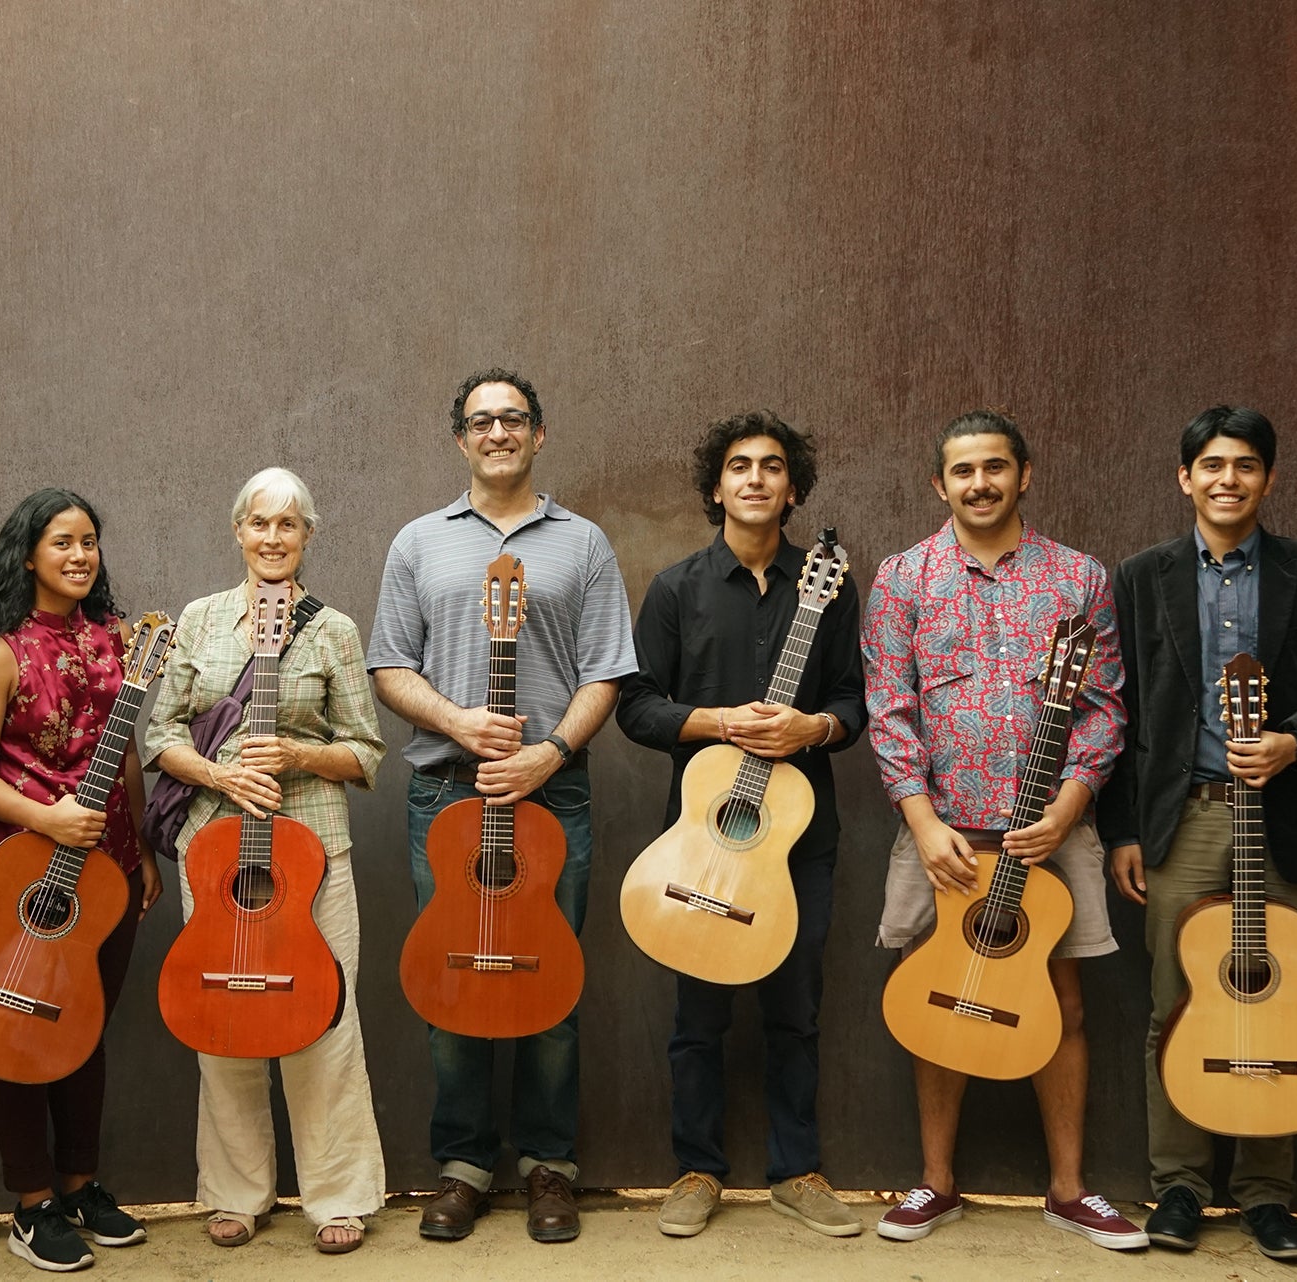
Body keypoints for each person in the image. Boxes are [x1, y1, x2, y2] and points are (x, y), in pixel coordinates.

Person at [1098, 406, 1297, 1263]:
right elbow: (1119, 714)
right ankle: (1179, 1186)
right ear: (1185, 478)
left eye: (1246, 465)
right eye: (1212, 465)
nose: (1228, 480)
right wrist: (1123, 830)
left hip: (1284, 819)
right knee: (1176, 1005)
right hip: (1182, 819)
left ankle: (1265, 1195)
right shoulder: (1139, 577)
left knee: (1273, 1001)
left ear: (1269, 478)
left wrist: (1296, 740)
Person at [861, 408, 1146, 1250]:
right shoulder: (903, 578)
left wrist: (1068, 808)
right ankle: (936, 1182)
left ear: (1025, 475)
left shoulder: (1078, 578)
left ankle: (1068, 1189)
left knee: (1064, 1004)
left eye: (995, 467)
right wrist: (922, 822)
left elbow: (1105, 708)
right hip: (942, 836)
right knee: (934, 999)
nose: (979, 483)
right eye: (963, 471)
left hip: (1051, 834)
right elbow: (889, 708)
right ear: (939, 484)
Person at [368, 368, 636, 1244]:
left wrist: (547, 752)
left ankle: (550, 1165)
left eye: (513, 418)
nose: (498, 432)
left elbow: (606, 672)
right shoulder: (419, 541)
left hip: (553, 792)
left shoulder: (584, 544)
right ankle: (464, 1166)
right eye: (481, 421)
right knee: (451, 980)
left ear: (538, 433)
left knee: (551, 985)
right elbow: (389, 664)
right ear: (461, 438)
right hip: (447, 792)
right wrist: (458, 721)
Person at [617, 412, 867, 1239]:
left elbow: (852, 702)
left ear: (793, 489)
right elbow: (637, 707)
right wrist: (719, 722)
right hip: (700, 839)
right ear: (716, 486)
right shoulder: (676, 589)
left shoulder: (827, 585)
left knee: (796, 1010)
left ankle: (797, 1171)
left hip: (799, 841)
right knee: (700, 1018)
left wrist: (811, 728)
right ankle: (697, 1171)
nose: (754, 478)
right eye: (738, 466)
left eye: (771, 466)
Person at [144, 466, 387, 1255]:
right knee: (221, 1013)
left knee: (325, 1018)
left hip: (312, 852)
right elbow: (161, 733)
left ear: (308, 536)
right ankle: (236, 1190)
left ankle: (339, 1194)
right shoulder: (201, 619)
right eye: (260, 523)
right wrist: (220, 776)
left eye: (288, 525)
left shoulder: (334, 630)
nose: (273, 538)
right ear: (238, 531)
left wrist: (299, 755)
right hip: (213, 853)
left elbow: (366, 750)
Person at [0, 488, 161, 1272]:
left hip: (111, 869)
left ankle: (79, 1185)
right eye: (62, 542)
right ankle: (32, 1203)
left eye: (89, 542)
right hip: (24, 873)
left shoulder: (116, 640)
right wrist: (48, 819)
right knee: (18, 1033)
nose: (79, 555)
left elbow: (124, 752)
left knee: (85, 1028)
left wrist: (144, 851)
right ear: (28, 554)